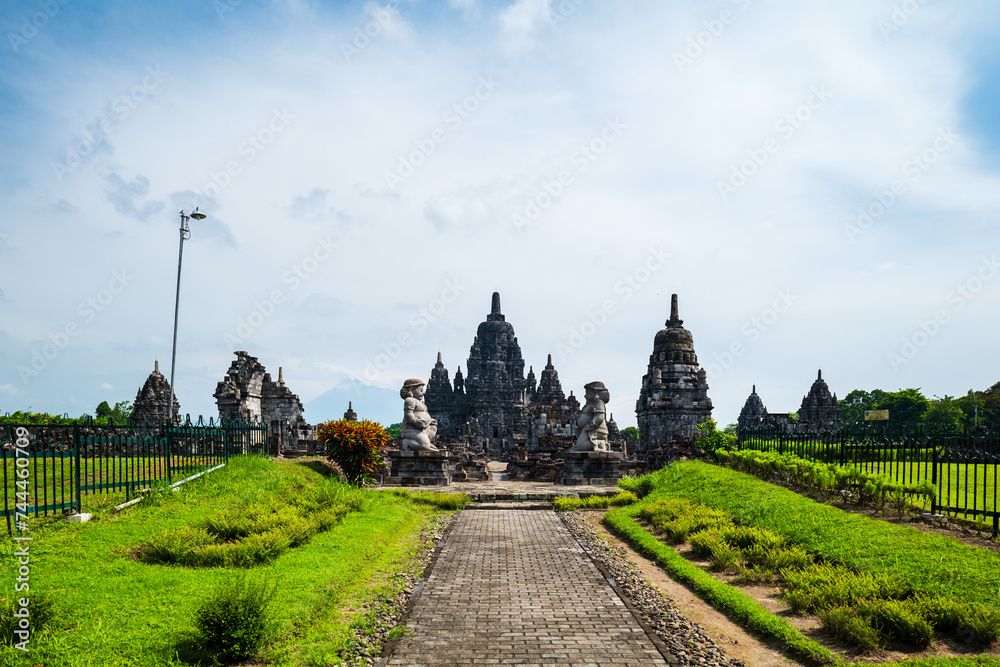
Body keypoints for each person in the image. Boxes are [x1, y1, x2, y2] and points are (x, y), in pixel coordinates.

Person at [570, 381, 610, 452]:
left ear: (595, 392)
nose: (585, 396)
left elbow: (600, 417)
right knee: (578, 447)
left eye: (587, 393)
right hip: (588, 430)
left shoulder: (598, 403)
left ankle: (599, 443)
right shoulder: (591, 404)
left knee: (581, 445)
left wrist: (592, 426)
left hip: (596, 430)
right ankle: (595, 444)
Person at [400, 378, 439, 451]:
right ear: (411, 389)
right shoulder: (410, 400)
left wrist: (430, 421)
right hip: (413, 429)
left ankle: (426, 443)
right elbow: (408, 415)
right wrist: (415, 421)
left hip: (423, 429)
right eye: (420, 390)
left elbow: (425, 414)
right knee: (424, 446)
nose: (423, 393)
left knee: (433, 428)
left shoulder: (421, 403)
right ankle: (407, 442)